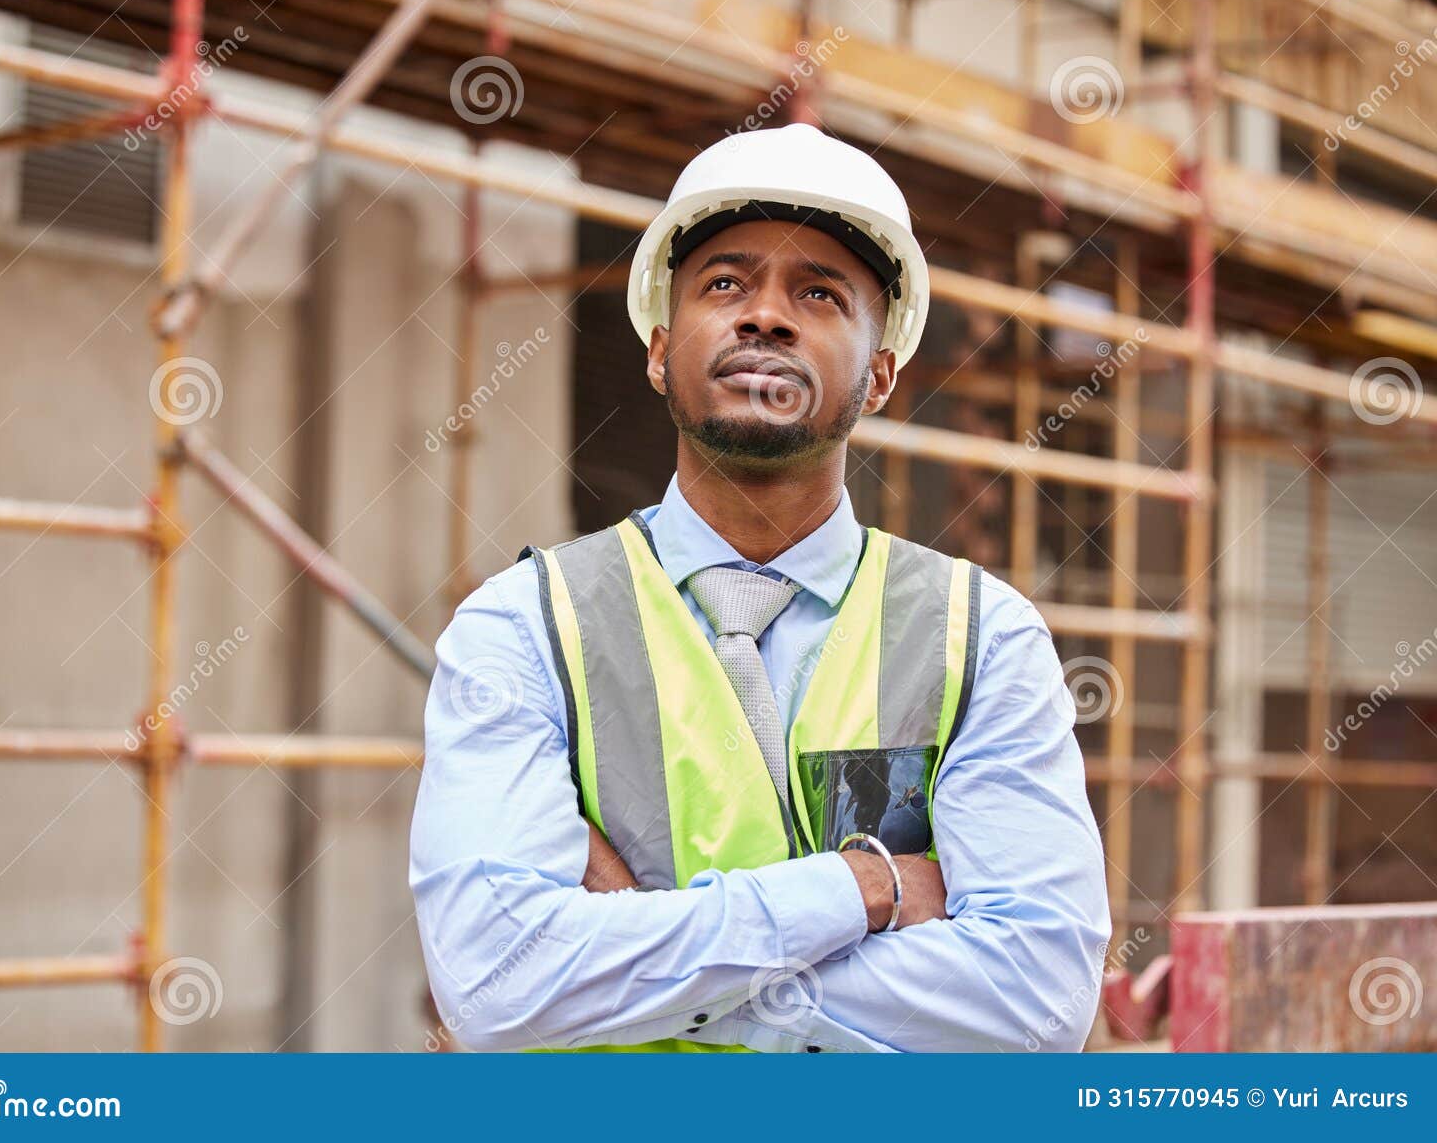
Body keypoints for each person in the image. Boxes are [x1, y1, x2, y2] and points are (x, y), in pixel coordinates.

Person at [410, 122, 1109, 1053]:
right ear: (659, 350)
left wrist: (653, 963)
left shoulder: (982, 638)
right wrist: (868, 888)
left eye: (819, 294)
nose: (767, 316)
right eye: (725, 283)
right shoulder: (523, 627)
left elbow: (1038, 1004)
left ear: (883, 374)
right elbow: (498, 982)